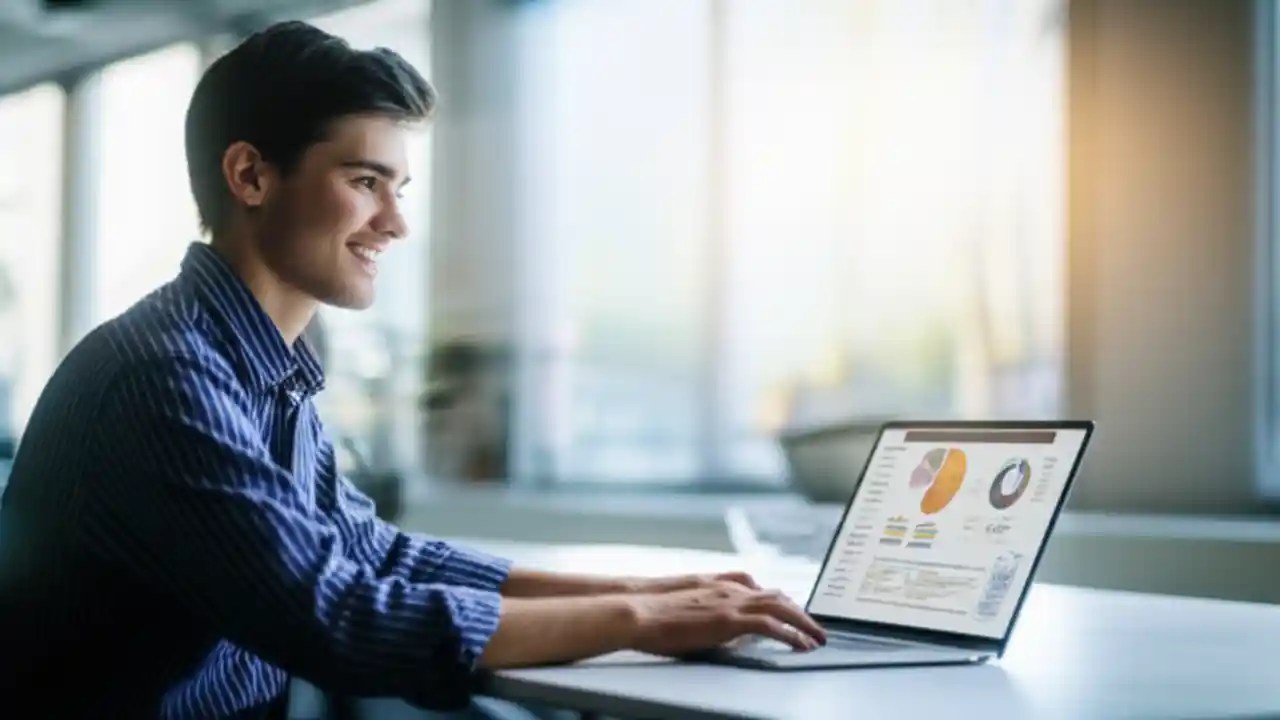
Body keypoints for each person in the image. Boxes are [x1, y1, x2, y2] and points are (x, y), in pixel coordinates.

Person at [0, 20, 825, 718]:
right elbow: (341, 614)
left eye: (399, 187)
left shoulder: (260, 367)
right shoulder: (163, 378)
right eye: (365, 182)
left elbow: (374, 555)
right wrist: (640, 617)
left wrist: (659, 591)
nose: (395, 222)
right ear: (250, 175)